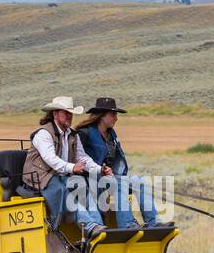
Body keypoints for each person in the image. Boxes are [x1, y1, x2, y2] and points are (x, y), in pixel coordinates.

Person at [20, 95, 109, 239]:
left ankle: (98, 226)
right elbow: (50, 159)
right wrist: (71, 168)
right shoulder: (43, 134)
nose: (69, 116)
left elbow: (82, 157)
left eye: (70, 113)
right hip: (40, 178)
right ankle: (91, 227)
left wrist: (99, 169)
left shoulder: (72, 134)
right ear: (55, 114)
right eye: (65, 112)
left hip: (60, 175)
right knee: (64, 192)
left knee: (83, 187)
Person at [75, 97, 167, 228]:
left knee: (140, 181)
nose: (116, 118)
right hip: (89, 179)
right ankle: (127, 224)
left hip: (108, 177)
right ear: (101, 116)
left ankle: (154, 222)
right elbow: (77, 158)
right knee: (119, 183)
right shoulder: (84, 133)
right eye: (112, 115)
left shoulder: (111, 134)